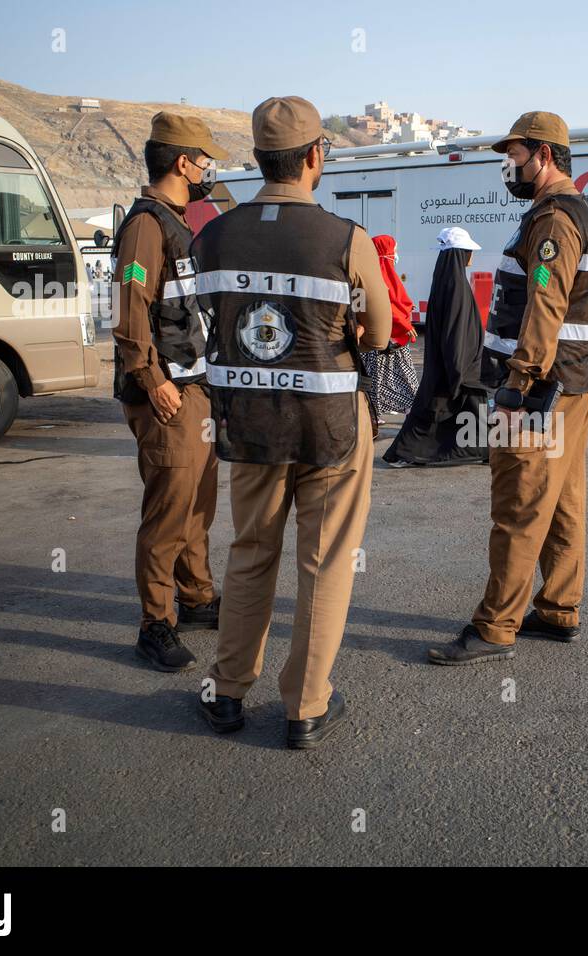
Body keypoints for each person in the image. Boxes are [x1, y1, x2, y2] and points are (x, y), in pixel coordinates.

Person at [191, 95, 391, 748]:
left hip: (249, 426)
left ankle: (226, 695)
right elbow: (381, 334)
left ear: (257, 158)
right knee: (325, 564)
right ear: (314, 157)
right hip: (330, 429)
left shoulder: (211, 238)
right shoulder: (345, 239)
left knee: (250, 556)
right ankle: (305, 707)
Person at [428, 110, 588, 665]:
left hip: (540, 390)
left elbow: (545, 309)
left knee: (519, 506)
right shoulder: (572, 213)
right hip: (573, 385)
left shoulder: (552, 221)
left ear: (543, 155)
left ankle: (494, 628)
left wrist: (516, 384)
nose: (509, 167)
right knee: (562, 503)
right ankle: (557, 609)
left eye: (514, 157)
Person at [111, 112, 226, 671]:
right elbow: (127, 309)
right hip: (167, 393)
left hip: (195, 386)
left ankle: (198, 599)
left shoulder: (177, 221)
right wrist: (150, 378)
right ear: (183, 162)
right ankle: (155, 623)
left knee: (198, 504)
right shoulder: (146, 226)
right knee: (168, 513)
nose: (208, 170)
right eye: (205, 160)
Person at [383, 226, 489, 468]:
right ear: (461, 254)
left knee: (467, 407)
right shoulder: (457, 287)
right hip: (459, 362)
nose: (472, 256)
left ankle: (483, 450)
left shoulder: (447, 281)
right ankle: (405, 451)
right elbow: (456, 330)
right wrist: (458, 367)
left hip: (455, 361)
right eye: (469, 251)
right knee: (435, 408)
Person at [361, 235, 419, 426]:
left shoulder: (379, 272)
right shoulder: (380, 275)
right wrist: (405, 324)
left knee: (380, 378)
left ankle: (380, 413)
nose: (395, 254)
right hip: (386, 337)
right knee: (400, 376)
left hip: (387, 338)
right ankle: (410, 409)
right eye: (394, 249)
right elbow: (385, 306)